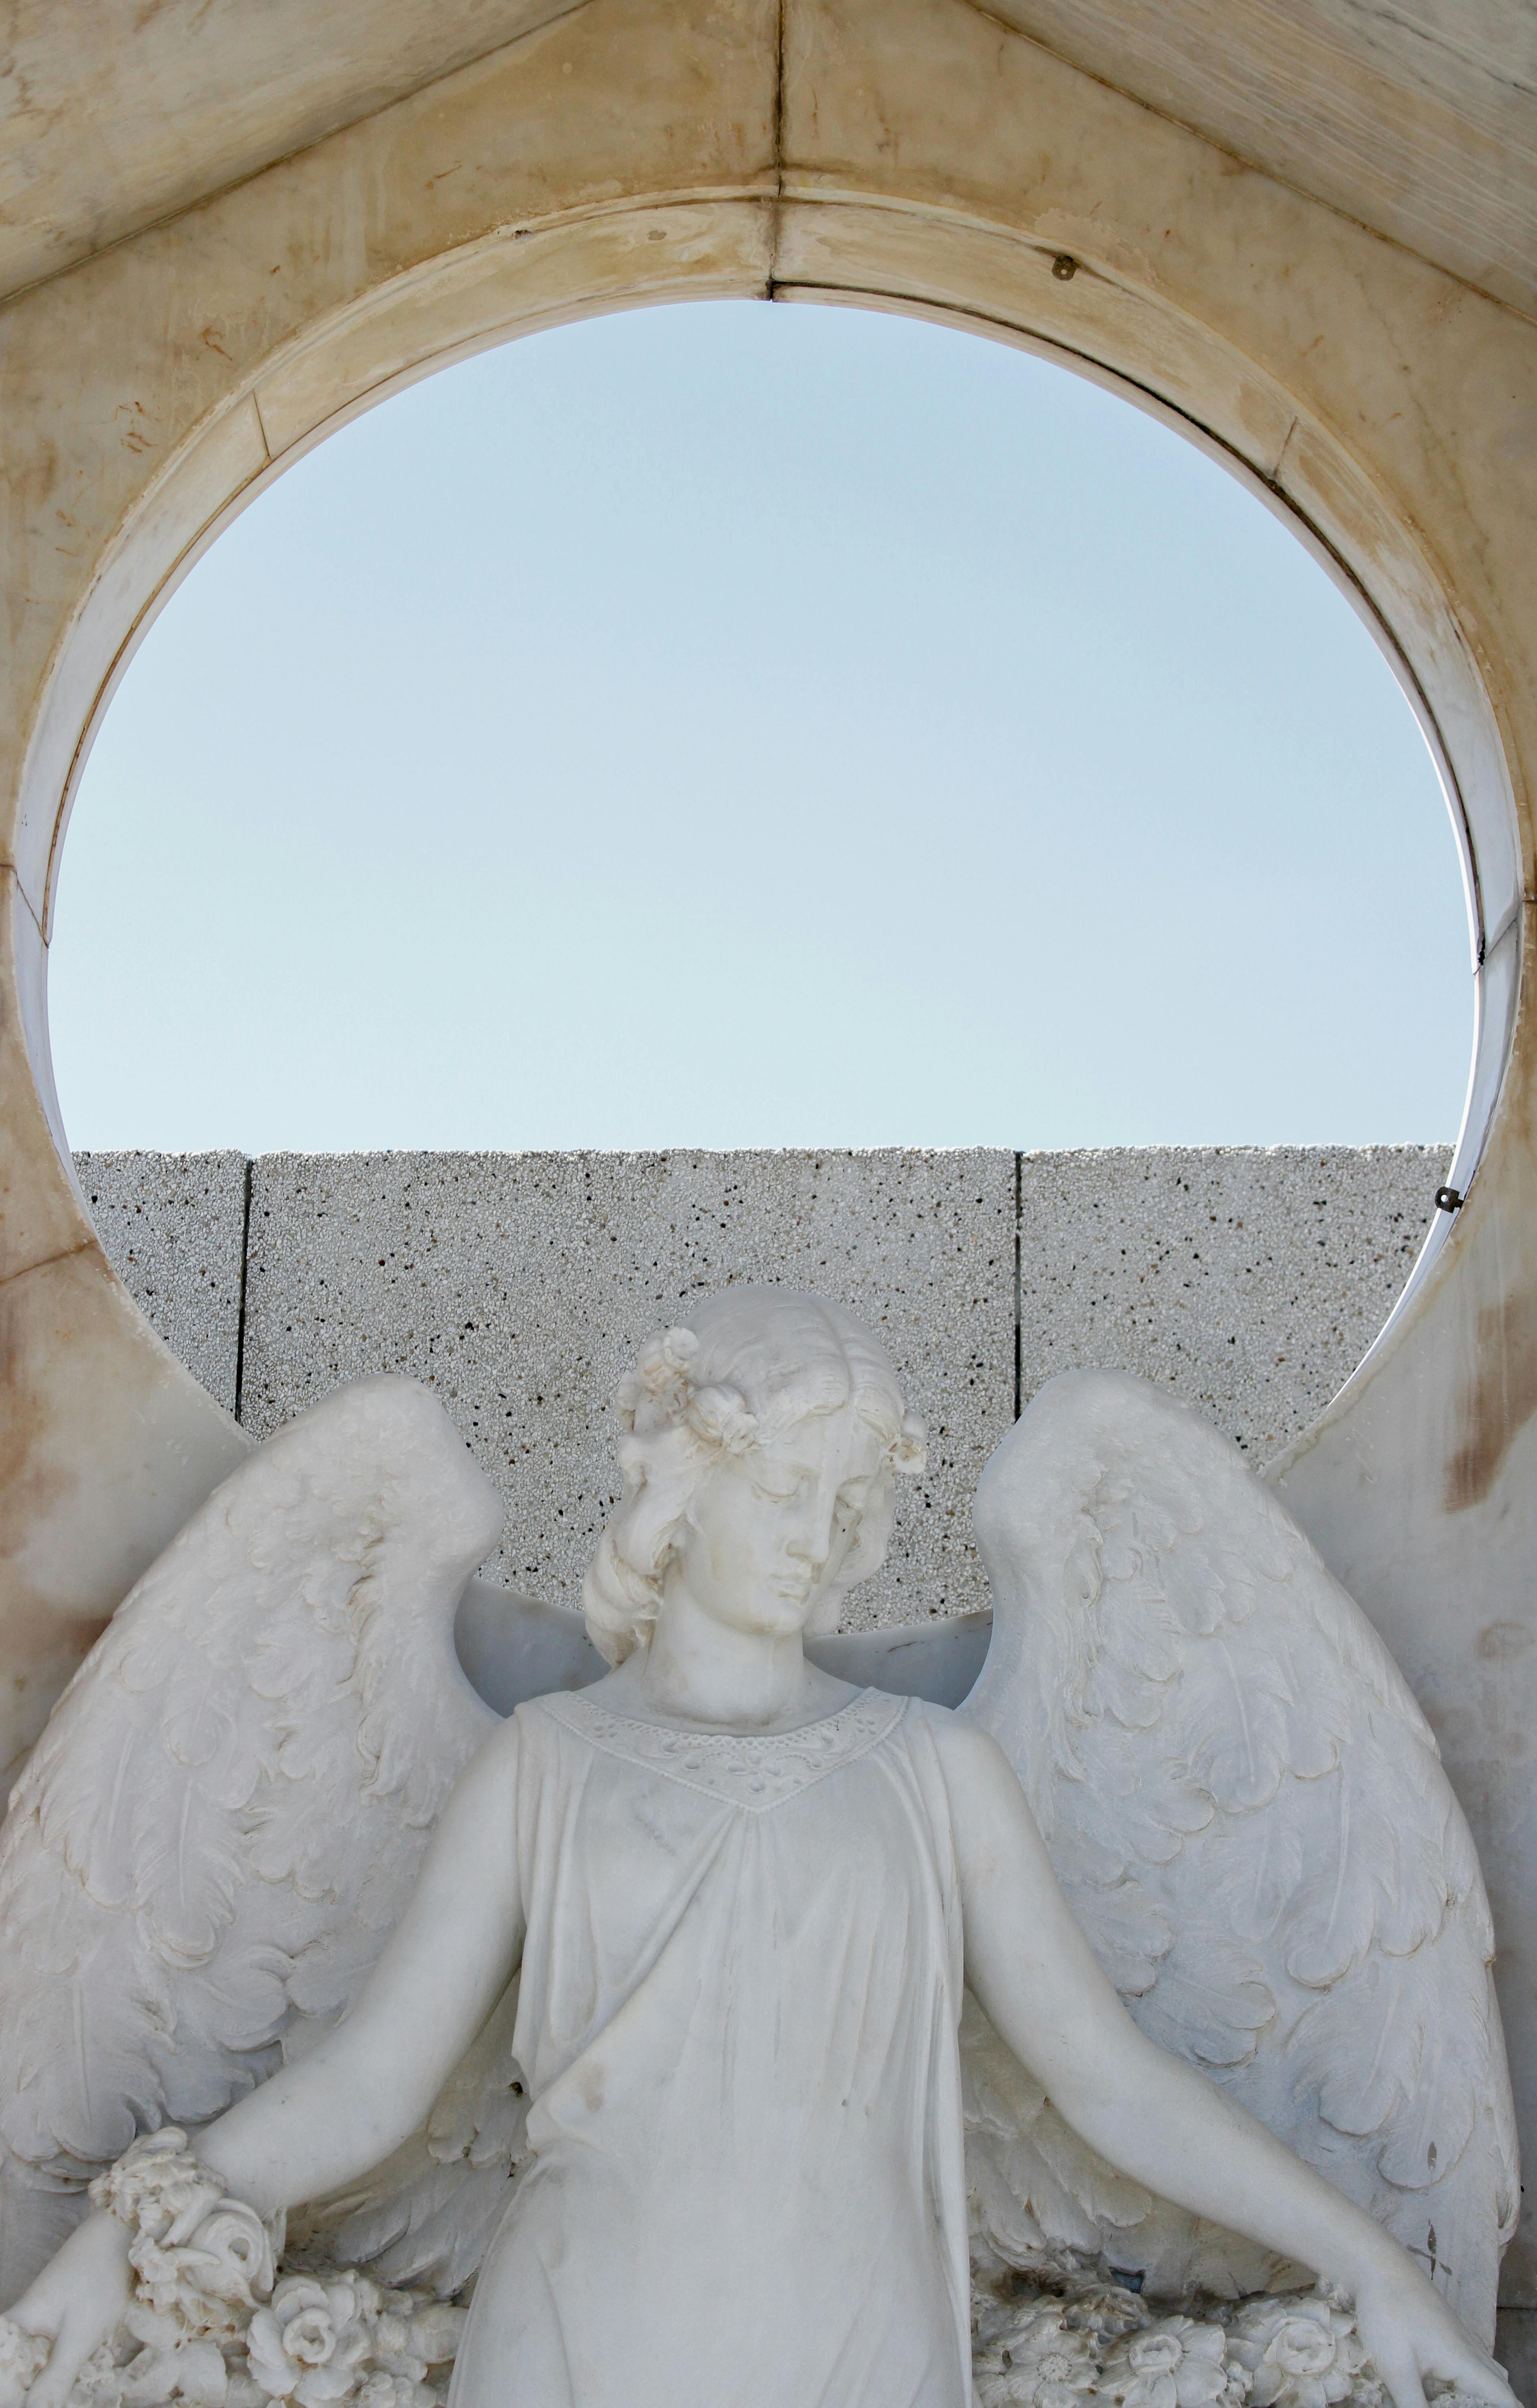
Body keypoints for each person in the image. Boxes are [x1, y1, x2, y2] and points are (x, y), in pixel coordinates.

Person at [4, 1291, 1515, 2408]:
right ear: (686, 1479)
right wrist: (123, 2244)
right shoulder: (546, 1765)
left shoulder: (935, 1774)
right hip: (574, 2331)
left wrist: (1366, 2260)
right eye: (784, 1489)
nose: (818, 1535)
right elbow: (367, 2088)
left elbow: (1113, 2084)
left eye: (850, 1502)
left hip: (860, 2330)